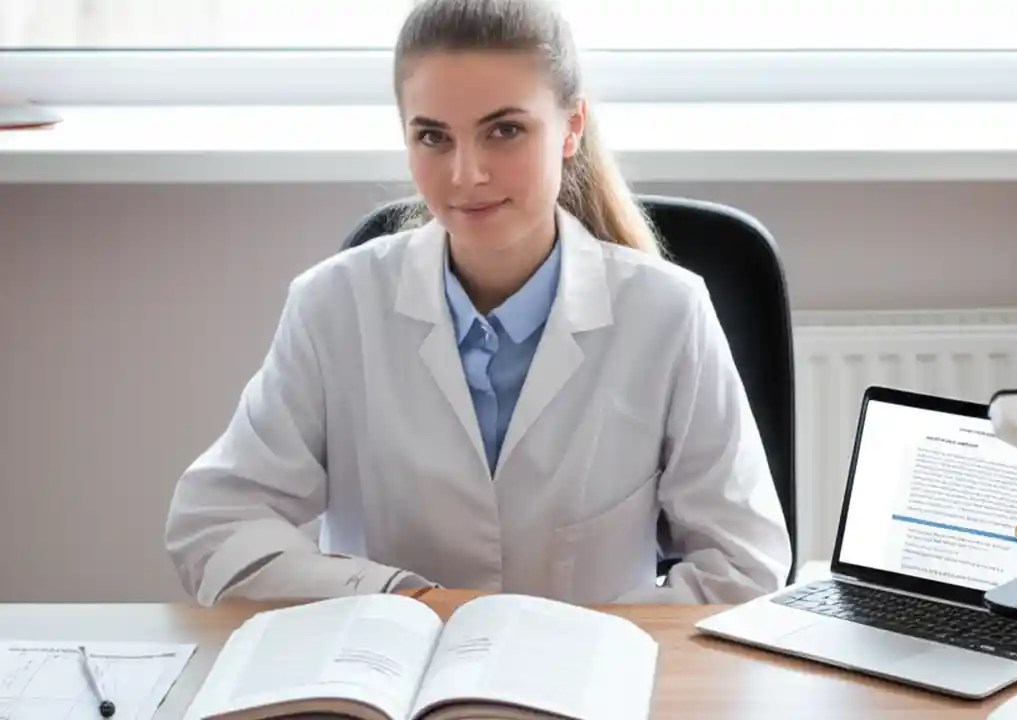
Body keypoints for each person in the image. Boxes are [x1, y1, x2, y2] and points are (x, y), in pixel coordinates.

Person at [164, 0, 790, 607]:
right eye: (433, 137)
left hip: (586, 672)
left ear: (571, 127)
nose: (466, 174)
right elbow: (214, 523)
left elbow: (744, 564)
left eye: (504, 131)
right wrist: (394, 597)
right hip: (387, 668)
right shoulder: (332, 305)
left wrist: (586, 638)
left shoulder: (668, 313)